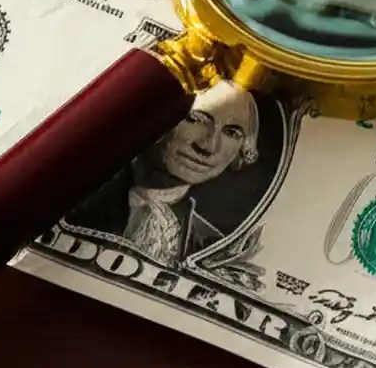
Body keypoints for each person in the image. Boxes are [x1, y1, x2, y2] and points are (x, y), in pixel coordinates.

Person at [65, 79, 261, 268]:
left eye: (232, 133)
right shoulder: (75, 180)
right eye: (196, 119)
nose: (208, 146)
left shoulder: (211, 248)